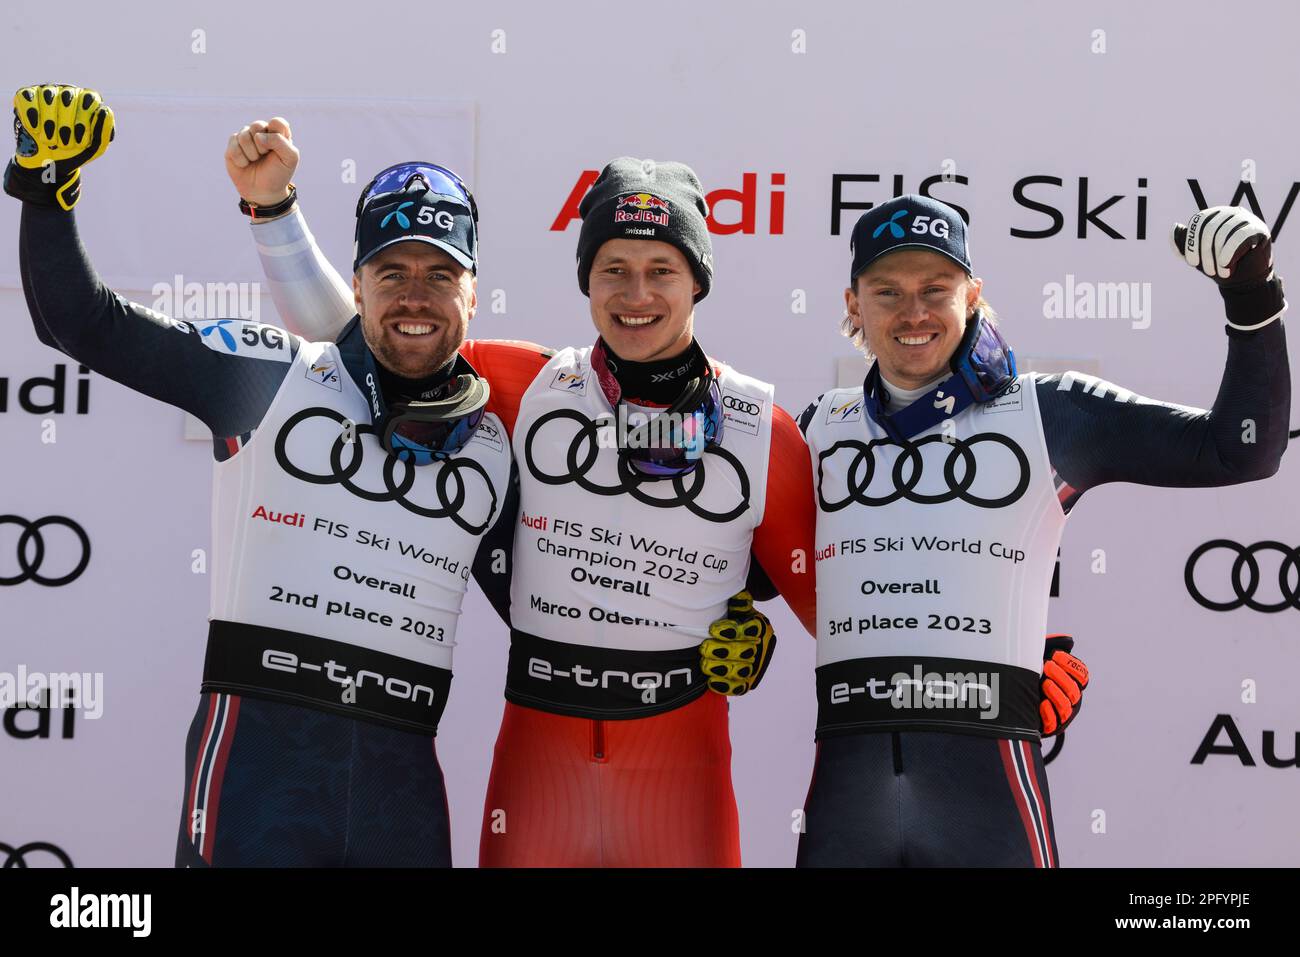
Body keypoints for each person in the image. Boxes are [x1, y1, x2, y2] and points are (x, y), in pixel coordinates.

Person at [231, 127, 1093, 865]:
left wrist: (1012, 663)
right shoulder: (526, 382)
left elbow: (858, 607)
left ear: (696, 283)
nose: (636, 295)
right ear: (587, 282)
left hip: (679, 772)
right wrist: (274, 212)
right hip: (538, 768)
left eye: (660, 269)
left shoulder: (763, 425)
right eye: (613, 269)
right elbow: (367, 340)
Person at [6, 85, 517, 866]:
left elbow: (557, 602)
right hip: (259, 758)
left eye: (440, 274)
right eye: (392, 271)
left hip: (403, 778)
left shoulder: (491, 444)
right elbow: (79, 321)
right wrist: (47, 184)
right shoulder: (269, 371)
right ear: (357, 284)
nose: (416, 295)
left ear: (474, 295)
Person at [796, 194, 1289, 866]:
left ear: (972, 294)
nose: (913, 312)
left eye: (935, 288)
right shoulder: (818, 425)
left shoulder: (1048, 411)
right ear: (854, 304)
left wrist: (1252, 297)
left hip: (986, 784)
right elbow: (760, 569)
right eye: (887, 290)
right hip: (847, 793)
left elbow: (1242, 450)